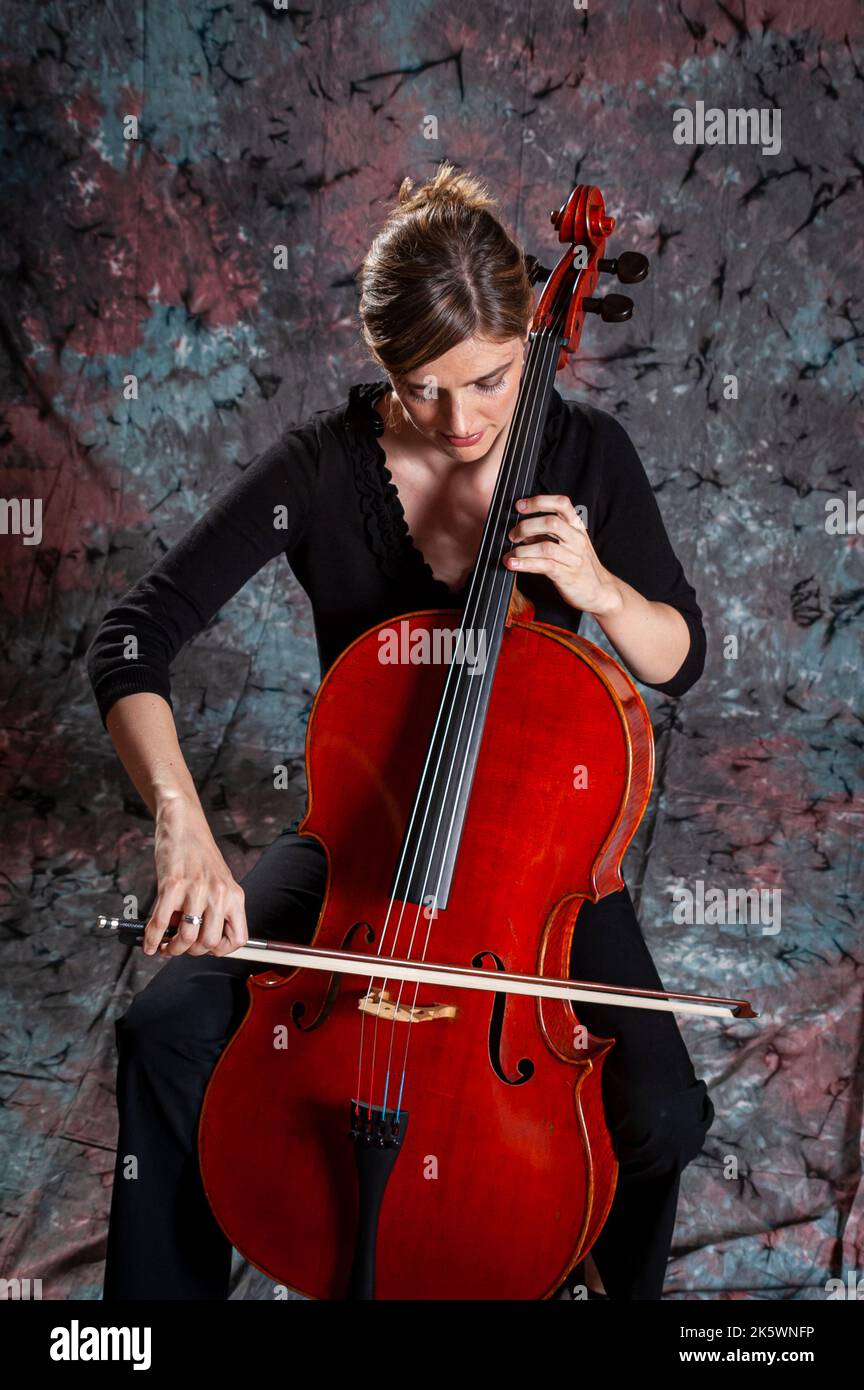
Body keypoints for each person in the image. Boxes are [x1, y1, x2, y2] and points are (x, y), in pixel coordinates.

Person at [86, 162, 714, 1302]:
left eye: (490, 380)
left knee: (663, 1114)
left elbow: (681, 657)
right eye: (423, 389)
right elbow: (133, 639)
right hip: (360, 856)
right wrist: (181, 826)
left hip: (534, 870)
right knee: (166, 1031)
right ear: (381, 361)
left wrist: (604, 587)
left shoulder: (586, 456)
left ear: (533, 336)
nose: (462, 421)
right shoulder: (324, 470)